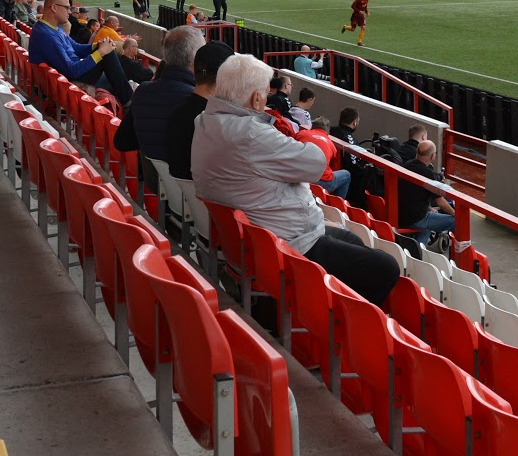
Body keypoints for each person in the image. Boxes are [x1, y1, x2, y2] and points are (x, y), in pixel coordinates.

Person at [192, 53, 399, 306]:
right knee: (387, 266)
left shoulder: (204, 121)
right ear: (257, 98)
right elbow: (314, 163)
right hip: (287, 244)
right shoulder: (251, 133)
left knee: (352, 239)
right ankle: (341, 320)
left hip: (257, 235)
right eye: (265, 94)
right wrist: (312, 138)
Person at [113, 25, 203, 191]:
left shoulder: (143, 91)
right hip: (192, 197)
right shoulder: (197, 101)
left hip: (157, 187)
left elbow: (123, 141)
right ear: (196, 58)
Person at [28, 0, 130, 103]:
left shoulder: (53, 28)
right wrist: (101, 52)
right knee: (110, 57)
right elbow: (71, 71)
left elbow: (75, 48)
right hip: (70, 82)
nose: (69, 12)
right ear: (54, 8)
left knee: (117, 73)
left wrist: (97, 45)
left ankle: (129, 99)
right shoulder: (46, 35)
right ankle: (130, 102)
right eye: (66, 7)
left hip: (69, 77)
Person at [165, 40, 234, 181]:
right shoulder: (222, 123)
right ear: (226, 77)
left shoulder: (176, 115)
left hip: (179, 199)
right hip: (209, 199)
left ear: (192, 70)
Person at [397, 132, 456, 246]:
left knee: (430, 218)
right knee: (455, 222)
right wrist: (455, 213)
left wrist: (428, 207)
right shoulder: (428, 174)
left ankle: (418, 249)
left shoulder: (407, 165)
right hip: (416, 219)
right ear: (433, 156)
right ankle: (459, 255)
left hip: (401, 213)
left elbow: (412, 193)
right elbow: (441, 202)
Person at [297, 118, 351, 199]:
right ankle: (336, 207)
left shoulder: (301, 133)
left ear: (312, 127)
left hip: (297, 176)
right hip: (318, 183)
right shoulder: (331, 145)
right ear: (327, 132)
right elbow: (333, 166)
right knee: (346, 175)